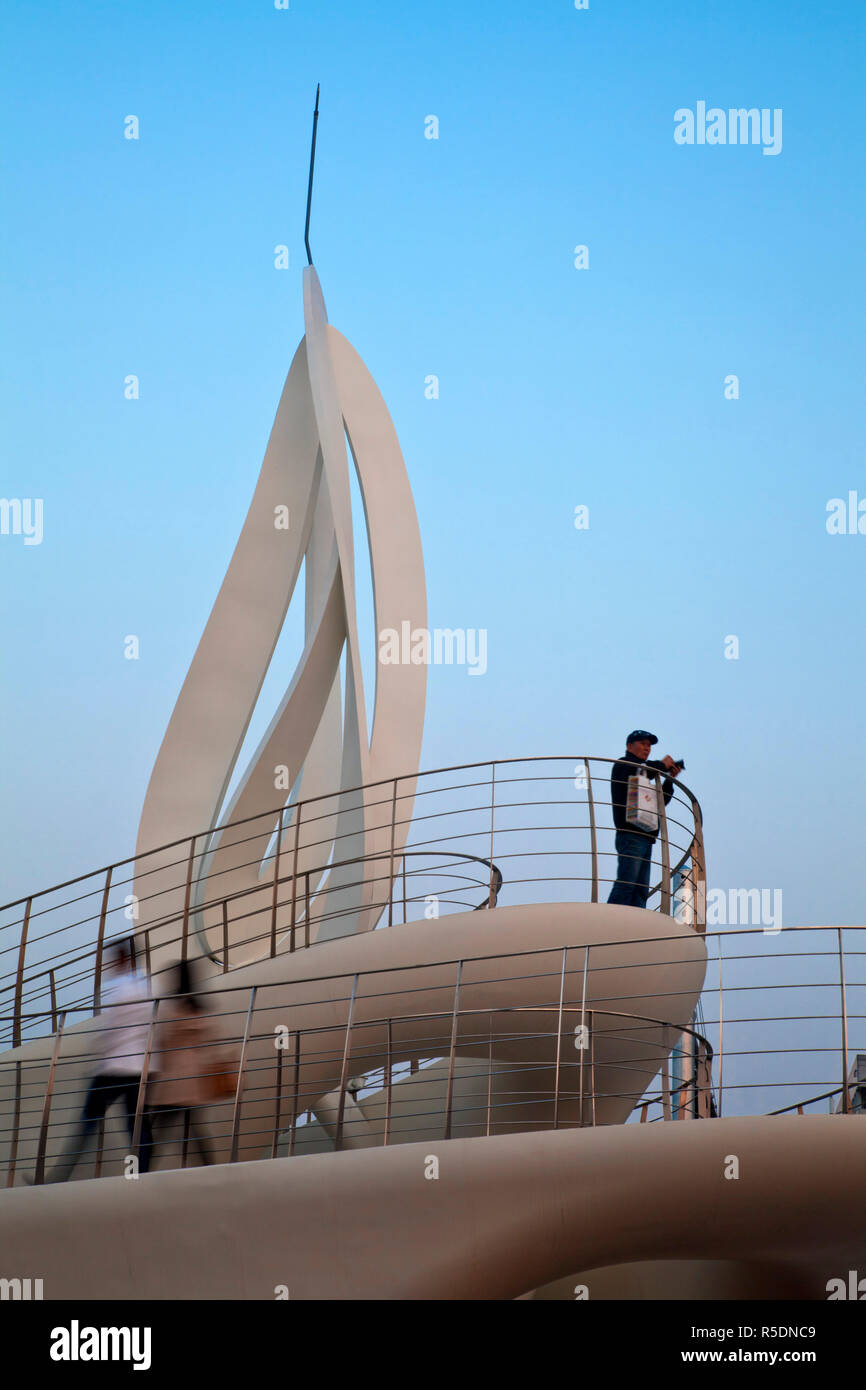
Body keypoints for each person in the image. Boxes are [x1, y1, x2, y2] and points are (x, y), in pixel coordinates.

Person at [41, 938, 154, 1182]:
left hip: (114, 1067)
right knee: (137, 1127)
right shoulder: (145, 986)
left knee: (87, 1122)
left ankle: (58, 1176)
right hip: (140, 1067)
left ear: (124, 959)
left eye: (113, 959)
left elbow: (109, 1030)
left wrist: (97, 1053)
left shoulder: (120, 989)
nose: (109, 964)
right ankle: (140, 1175)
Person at [147, 959, 218, 1168]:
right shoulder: (198, 1006)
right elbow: (209, 1037)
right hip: (193, 1081)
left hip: (172, 1079)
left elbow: (161, 1038)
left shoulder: (171, 1006)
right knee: (195, 1132)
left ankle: (139, 1173)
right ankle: (212, 1171)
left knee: (155, 1134)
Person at [607, 729, 682, 908]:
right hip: (630, 833)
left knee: (640, 889)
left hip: (646, 835)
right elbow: (639, 769)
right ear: (629, 746)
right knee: (627, 883)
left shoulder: (645, 773)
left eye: (649, 745)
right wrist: (662, 765)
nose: (647, 748)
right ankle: (610, 920)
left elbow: (661, 801)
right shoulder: (625, 764)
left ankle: (634, 925)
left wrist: (669, 779)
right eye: (642, 743)